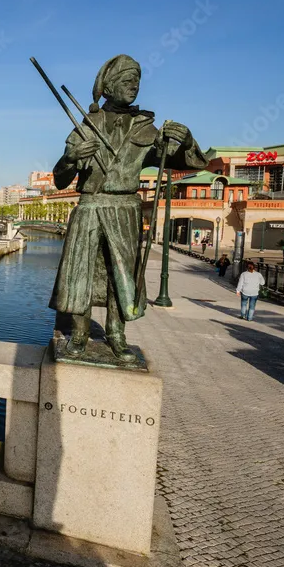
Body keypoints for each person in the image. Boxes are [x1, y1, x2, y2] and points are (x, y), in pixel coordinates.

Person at [50, 54, 208, 359]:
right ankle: (80, 333)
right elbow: (60, 178)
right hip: (90, 205)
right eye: (126, 81)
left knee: (121, 274)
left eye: (137, 81)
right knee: (79, 272)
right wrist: (71, 158)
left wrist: (186, 140)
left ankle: (116, 333)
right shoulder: (87, 125)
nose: (134, 86)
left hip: (125, 208)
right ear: (109, 86)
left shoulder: (145, 128)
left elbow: (179, 159)